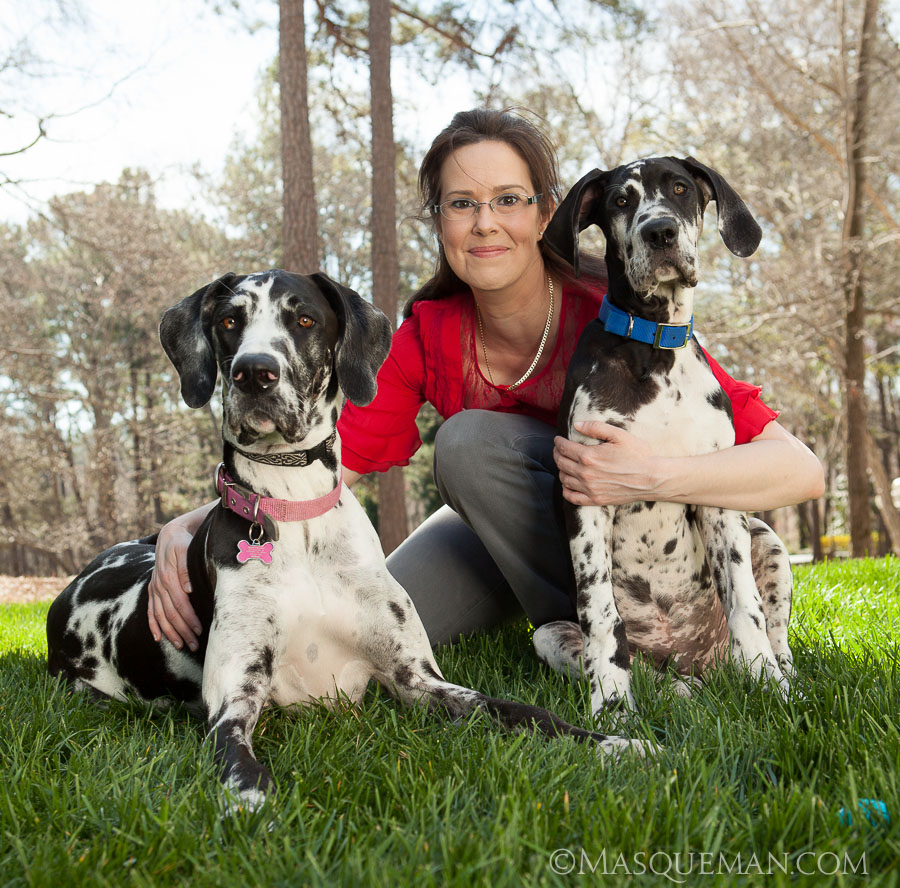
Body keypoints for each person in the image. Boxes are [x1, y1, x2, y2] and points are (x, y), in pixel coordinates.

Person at [148, 108, 824, 655]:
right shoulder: (428, 336)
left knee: (467, 441)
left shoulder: (623, 319)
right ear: (439, 222)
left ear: (543, 214)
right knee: (368, 632)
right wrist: (188, 527)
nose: (484, 222)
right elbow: (329, 462)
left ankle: (619, 636)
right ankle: (577, 629)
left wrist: (647, 477)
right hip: (504, 536)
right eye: (460, 203)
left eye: (507, 199)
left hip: (633, 527)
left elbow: (797, 471)